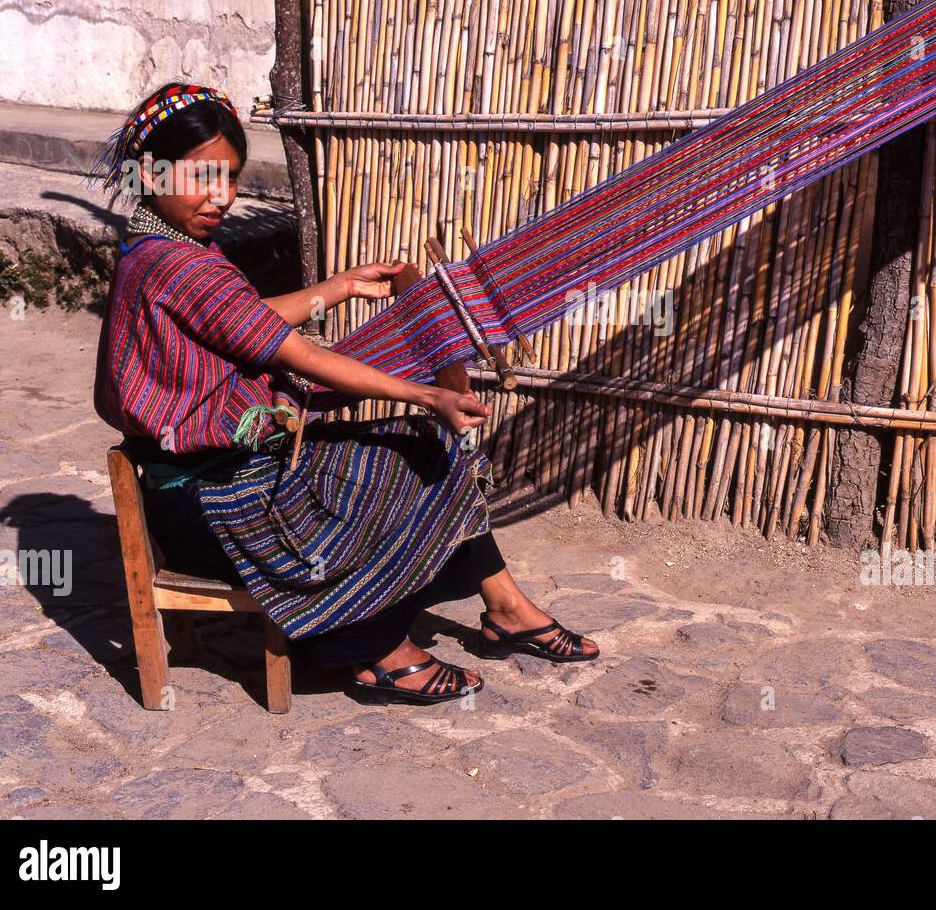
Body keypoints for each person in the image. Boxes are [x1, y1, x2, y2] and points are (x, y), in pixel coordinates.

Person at [92, 81, 598, 705]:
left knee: (420, 453)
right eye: (204, 176)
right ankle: (374, 649)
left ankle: (505, 605)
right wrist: (426, 395)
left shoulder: (156, 247)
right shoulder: (181, 264)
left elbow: (236, 319)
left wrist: (337, 288)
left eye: (230, 178)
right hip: (216, 504)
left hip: (204, 481)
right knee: (423, 452)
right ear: (152, 169)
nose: (222, 197)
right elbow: (298, 354)